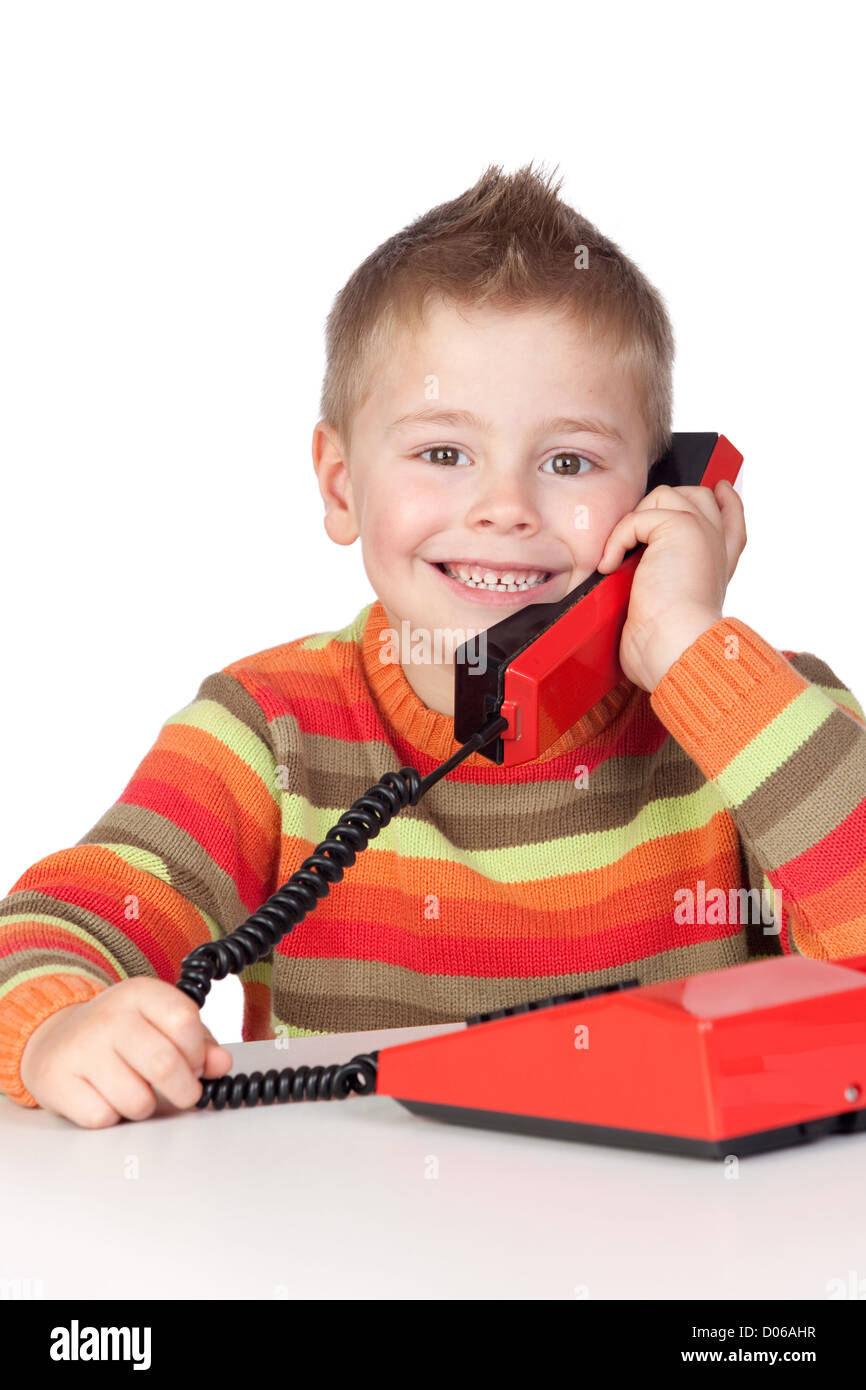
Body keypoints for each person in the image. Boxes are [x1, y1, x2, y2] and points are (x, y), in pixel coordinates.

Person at [3, 163, 864, 1128]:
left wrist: (690, 650)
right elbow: (66, 923)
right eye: (443, 453)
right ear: (339, 486)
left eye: (569, 461)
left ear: (664, 495)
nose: (504, 509)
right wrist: (58, 1027)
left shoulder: (763, 721)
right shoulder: (272, 730)